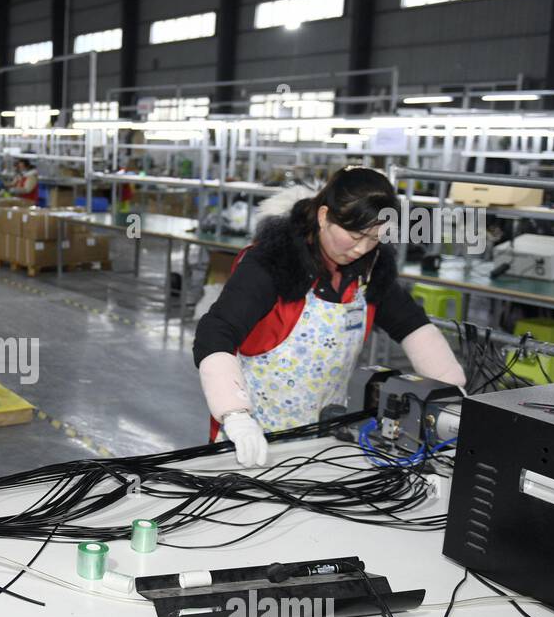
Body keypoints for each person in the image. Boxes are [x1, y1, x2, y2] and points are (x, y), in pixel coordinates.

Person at [193, 166, 467, 467]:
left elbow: (413, 326)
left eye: (374, 238)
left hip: (324, 441)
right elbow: (215, 332)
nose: (362, 248)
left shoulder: (369, 270)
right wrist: (234, 415)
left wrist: (451, 395)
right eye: (355, 235)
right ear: (324, 216)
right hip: (253, 436)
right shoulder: (271, 264)